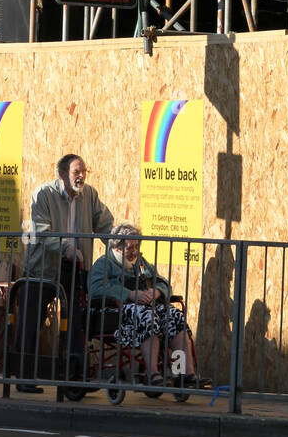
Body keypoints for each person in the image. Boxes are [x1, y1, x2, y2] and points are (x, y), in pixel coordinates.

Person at [15, 154, 114, 391]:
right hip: (43, 267)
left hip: (75, 267)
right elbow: (43, 231)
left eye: (84, 172)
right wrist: (66, 248)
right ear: (61, 175)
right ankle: (23, 378)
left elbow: (104, 224)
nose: (81, 177)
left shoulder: (89, 194)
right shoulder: (43, 195)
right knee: (32, 320)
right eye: (75, 172)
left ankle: (75, 380)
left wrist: (121, 241)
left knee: (78, 321)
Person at [88, 223, 197, 395]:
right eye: (130, 247)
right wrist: (130, 295)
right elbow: (96, 289)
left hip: (145, 306)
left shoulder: (140, 263)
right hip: (115, 312)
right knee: (147, 316)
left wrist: (157, 291)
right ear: (117, 247)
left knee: (175, 316)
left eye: (137, 246)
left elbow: (162, 282)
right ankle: (152, 373)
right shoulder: (104, 264)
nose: (134, 252)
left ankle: (183, 372)